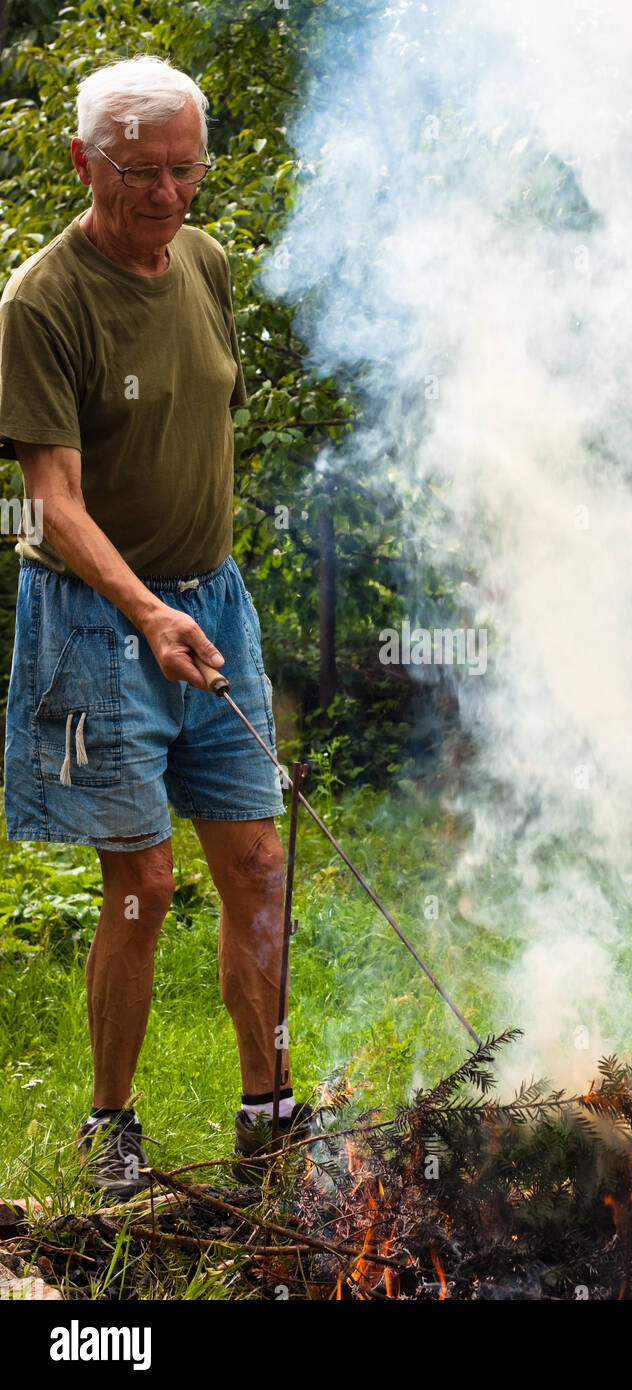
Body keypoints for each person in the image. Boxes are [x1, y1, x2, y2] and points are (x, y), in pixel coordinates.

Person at [0, 55, 311, 1198]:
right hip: (94, 622)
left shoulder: (205, 262)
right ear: (85, 161)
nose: (170, 196)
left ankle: (267, 1111)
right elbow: (55, 502)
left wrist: (190, 598)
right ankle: (110, 1126)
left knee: (259, 861)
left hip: (211, 602)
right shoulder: (41, 302)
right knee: (141, 881)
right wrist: (143, 610)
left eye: (188, 170)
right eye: (142, 173)